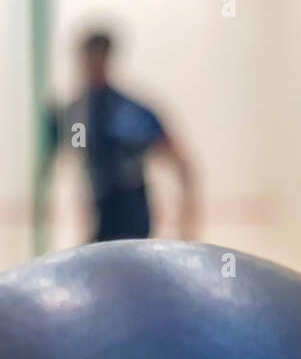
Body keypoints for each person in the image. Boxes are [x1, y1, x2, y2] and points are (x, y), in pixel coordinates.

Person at [43, 31, 200, 242]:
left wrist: (187, 218)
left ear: (107, 58)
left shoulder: (132, 111)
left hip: (134, 221)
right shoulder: (72, 114)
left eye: (98, 57)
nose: (92, 65)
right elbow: (51, 164)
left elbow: (180, 161)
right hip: (97, 217)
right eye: (89, 58)